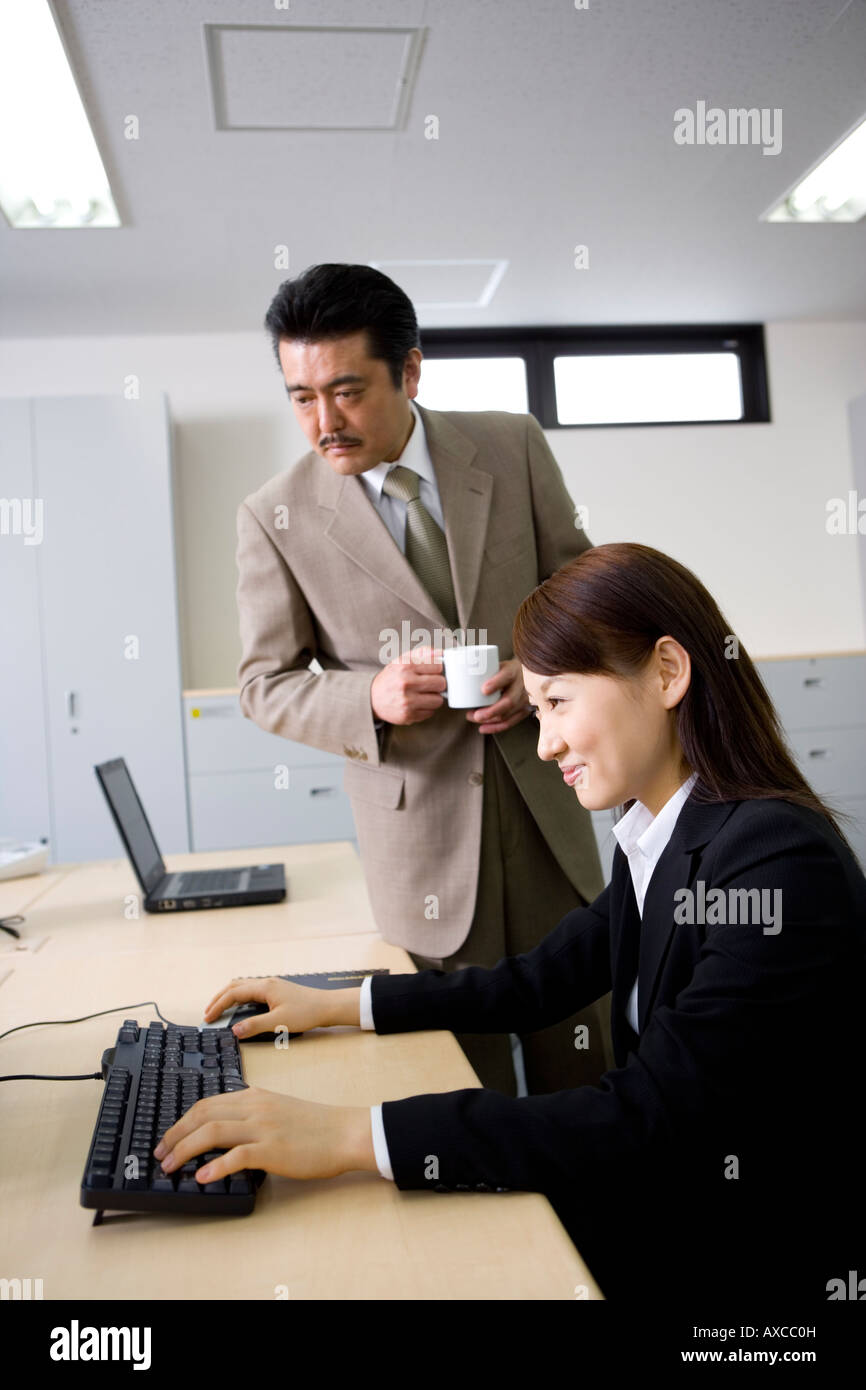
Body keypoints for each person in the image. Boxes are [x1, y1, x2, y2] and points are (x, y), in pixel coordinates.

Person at [158, 542, 865, 1302]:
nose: (546, 742)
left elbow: (647, 1116)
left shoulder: (776, 862)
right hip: (672, 1202)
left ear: (668, 672)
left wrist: (345, 1137)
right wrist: (343, 1003)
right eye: (537, 710)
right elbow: (538, 981)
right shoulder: (658, 829)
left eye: (557, 702)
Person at [234, 262, 612, 1097]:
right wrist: (368, 698)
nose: (324, 422)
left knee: (587, 1072)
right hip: (424, 851)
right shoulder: (274, 515)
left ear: (409, 370)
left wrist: (539, 673)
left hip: (551, 811)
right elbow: (264, 682)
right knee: (461, 1091)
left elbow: (584, 594)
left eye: (347, 390)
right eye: (301, 397)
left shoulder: (511, 445)